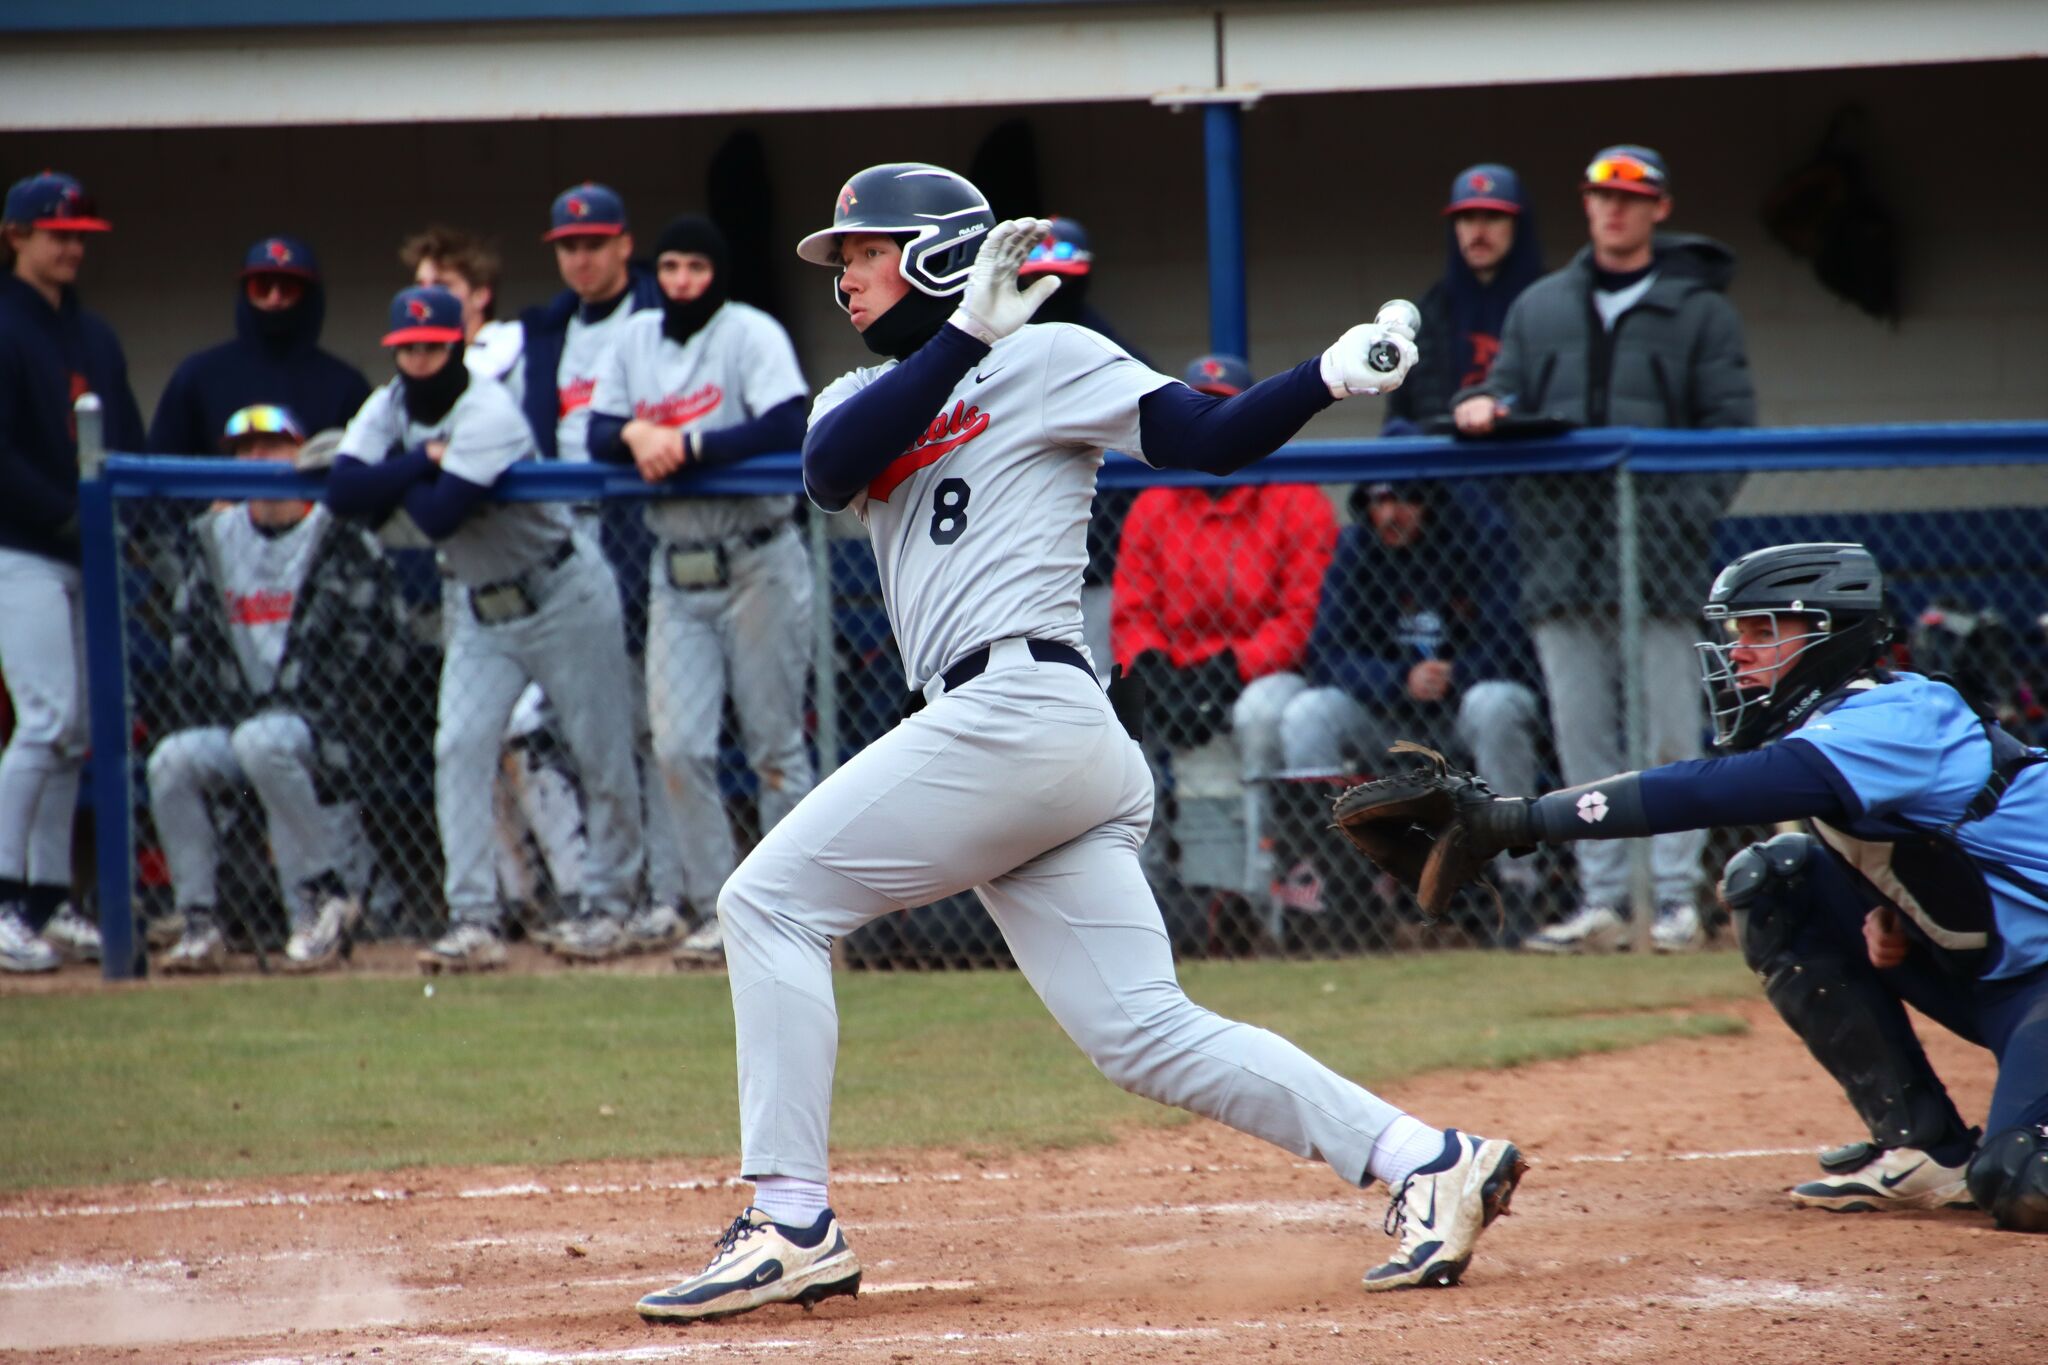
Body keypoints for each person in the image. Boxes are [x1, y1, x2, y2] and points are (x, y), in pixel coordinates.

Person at [633, 161, 1524, 1324]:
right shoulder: (855, 393)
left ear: (934, 255)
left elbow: (1206, 440)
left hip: (1025, 708)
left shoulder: (1050, 356)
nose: (843, 277)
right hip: (1012, 733)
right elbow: (828, 472)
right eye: (841, 258)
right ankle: (1425, 1158)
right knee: (1141, 1034)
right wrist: (961, 336)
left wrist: (1322, 376)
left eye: (864, 253)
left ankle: (791, 1221)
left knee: (765, 904)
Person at [1418, 542, 2048, 1230]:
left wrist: (1522, 819)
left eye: (1762, 630)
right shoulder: (1840, 724)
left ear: (1831, 634)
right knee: (1778, 880)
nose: (1739, 652)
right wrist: (1889, 909)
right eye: (1736, 632)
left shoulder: (1898, 715)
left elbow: (1718, 790)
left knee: (2020, 1181)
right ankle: (1926, 1148)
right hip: (1998, 974)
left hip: (2034, 980)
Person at [1451, 145, 1757, 954]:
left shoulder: (1700, 309)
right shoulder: (1540, 304)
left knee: (1669, 738)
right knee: (1582, 739)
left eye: (1632, 197)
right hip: (1561, 553)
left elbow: (1731, 432)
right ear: (1586, 206)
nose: (1615, 209)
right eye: (1601, 196)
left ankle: (1676, 900)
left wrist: (1681, 517)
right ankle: (1607, 899)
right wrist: (1481, 403)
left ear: (1660, 208)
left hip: (1660, 556)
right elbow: (1503, 392)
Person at [326, 285, 646, 971]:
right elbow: (344, 491)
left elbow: (438, 515)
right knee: (458, 749)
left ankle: (610, 905)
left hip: (561, 592)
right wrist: (419, 461)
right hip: (480, 608)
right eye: (407, 347)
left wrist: (393, 479)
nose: (418, 359)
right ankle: (473, 918)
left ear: (455, 347)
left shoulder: (487, 408)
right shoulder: (389, 405)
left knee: (601, 753)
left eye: (432, 346)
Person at [587, 214, 813, 967]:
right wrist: (635, 435)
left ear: (717, 273)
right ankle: (725, 912)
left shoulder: (750, 331)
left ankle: (796, 910)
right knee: (679, 747)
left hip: (757, 560)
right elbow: (596, 432)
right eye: (671, 267)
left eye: (696, 268)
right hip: (677, 569)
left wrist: (689, 445)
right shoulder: (635, 338)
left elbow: (786, 423)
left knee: (774, 749)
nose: (683, 282)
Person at [148, 405, 401, 973]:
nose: (256, 459)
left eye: (271, 447)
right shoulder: (213, 540)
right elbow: (188, 648)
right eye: (244, 450)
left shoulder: (341, 537)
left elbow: (374, 655)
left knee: (264, 742)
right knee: (171, 761)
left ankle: (321, 901)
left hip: (324, 729)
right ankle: (200, 922)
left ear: (300, 454)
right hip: (242, 726)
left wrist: (303, 709)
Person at [400, 224, 595, 947]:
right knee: (470, 743)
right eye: (422, 287)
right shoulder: (415, 369)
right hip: (465, 575)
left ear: (479, 296)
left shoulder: (513, 350)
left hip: (538, 566)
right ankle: (509, 900)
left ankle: (579, 888)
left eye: (445, 289)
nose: (429, 302)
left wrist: (422, 465)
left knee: (529, 734)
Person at [1111, 354, 1338, 916]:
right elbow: (1133, 614)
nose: (1211, 423)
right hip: (1179, 672)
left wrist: (1229, 671)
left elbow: (1300, 617)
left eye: (1225, 410)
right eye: (1201, 409)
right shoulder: (1154, 504)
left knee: (1259, 715)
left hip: (1269, 677)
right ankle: (1143, 896)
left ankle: (1263, 891)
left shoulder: (1296, 498)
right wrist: (1154, 671)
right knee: (1120, 716)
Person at [1280, 479, 1546, 919]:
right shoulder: (1356, 549)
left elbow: (1514, 644)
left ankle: (1519, 884)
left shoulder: (1474, 541)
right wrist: (1396, 679)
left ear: (1429, 503)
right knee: (1308, 713)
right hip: (1386, 714)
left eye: (1404, 501)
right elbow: (1325, 654)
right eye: (1379, 502)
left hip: (1462, 709)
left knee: (1496, 703)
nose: (1390, 514)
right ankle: (1337, 885)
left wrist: (1457, 675)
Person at [0, 171, 144, 973]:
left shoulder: (96, 336)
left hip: (85, 551)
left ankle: (47, 898)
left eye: (79, 234)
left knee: (77, 732)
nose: (71, 247)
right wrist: (65, 513)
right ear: (16, 236)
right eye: (57, 233)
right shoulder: (5, 323)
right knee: (46, 717)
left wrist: (117, 524)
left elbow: (127, 437)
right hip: (20, 547)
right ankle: (2, 896)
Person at [1017, 216, 1146, 679]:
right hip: (1013, 565)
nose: (1051, 293)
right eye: (1039, 279)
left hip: (1097, 566)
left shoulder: (1111, 354)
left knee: (1096, 684)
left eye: (1062, 280)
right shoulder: (997, 350)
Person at [148, 236, 371, 457]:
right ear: (245, 293)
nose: (274, 298)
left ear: (309, 297)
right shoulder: (196, 376)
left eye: (288, 288)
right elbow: (157, 469)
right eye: (262, 287)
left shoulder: (346, 386)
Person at [1381, 163, 1544, 434]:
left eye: (1493, 217)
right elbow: (1400, 413)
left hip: (1529, 454)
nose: (1478, 232)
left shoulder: (1551, 305)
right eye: (1467, 218)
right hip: (1445, 457)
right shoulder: (1428, 313)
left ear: (1518, 225)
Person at [515, 183, 663, 463]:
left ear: (625, 245)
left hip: (638, 485)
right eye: (569, 248)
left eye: (595, 246)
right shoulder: (546, 330)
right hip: (561, 487)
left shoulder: (660, 316)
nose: (581, 261)